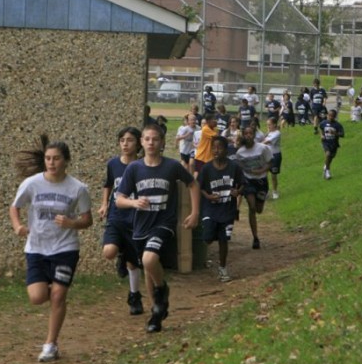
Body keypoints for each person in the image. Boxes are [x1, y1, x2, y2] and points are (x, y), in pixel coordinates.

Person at [9, 135, 93, 362]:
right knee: (37, 298)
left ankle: (50, 344)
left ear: (66, 161)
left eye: (56, 158)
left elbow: (87, 220)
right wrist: (17, 226)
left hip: (65, 248)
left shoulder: (78, 188)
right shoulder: (31, 184)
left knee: (57, 295)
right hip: (36, 248)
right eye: (48, 158)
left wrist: (71, 223)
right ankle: (55, 290)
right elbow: (15, 207)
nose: (52, 163)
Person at [115, 123, 200, 333]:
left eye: (155, 139)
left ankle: (162, 289)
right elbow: (119, 199)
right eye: (147, 139)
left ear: (162, 142)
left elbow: (192, 184)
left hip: (164, 224)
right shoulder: (134, 168)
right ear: (141, 142)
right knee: (148, 269)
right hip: (141, 226)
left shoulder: (171, 166)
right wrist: (134, 203)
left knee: (149, 259)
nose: (151, 142)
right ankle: (156, 311)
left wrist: (195, 212)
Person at [98, 126, 144, 316]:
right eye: (122, 140)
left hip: (135, 217)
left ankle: (134, 296)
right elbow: (108, 185)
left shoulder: (142, 165)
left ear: (138, 144)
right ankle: (121, 253)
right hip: (116, 215)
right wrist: (104, 204)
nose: (125, 144)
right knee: (109, 251)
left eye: (130, 140)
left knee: (133, 264)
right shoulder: (113, 164)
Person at [199, 136, 244, 282]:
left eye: (219, 147)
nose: (216, 150)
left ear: (226, 150)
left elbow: (242, 184)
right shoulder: (206, 168)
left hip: (227, 209)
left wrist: (237, 192)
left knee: (224, 240)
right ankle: (204, 255)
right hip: (210, 209)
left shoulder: (234, 167)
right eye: (213, 147)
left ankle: (223, 267)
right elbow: (199, 187)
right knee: (208, 237)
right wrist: (208, 196)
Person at [233, 125, 271, 249]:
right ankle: (255, 237)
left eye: (250, 133)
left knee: (259, 209)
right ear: (243, 136)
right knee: (252, 207)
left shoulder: (263, 148)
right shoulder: (240, 152)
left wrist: (261, 170)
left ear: (254, 135)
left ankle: (259, 203)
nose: (248, 136)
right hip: (248, 181)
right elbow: (239, 168)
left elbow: (269, 163)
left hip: (261, 181)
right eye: (246, 133)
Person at [319, 109, 345, 180]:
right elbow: (321, 129)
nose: (330, 117)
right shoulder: (323, 123)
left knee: (331, 157)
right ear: (327, 115)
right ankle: (327, 171)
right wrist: (321, 135)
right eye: (329, 115)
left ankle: (326, 166)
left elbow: (342, 134)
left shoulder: (337, 125)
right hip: (326, 142)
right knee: (328, 154)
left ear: (334, 117)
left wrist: (335, 133)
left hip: (334, 144)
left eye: (332, 116)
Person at [262, 116, 282, 199]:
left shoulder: (277, 133)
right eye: (267, 125)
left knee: (273, 176)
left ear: (274, 125)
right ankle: (266, 192)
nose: (268, 126)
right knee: (264, 175)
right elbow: (263, 139)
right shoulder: (269, 133)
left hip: (275, 156)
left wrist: (256, 145)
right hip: (267, 156)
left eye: (269, 125)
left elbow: (266, 142)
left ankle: (274, 191)